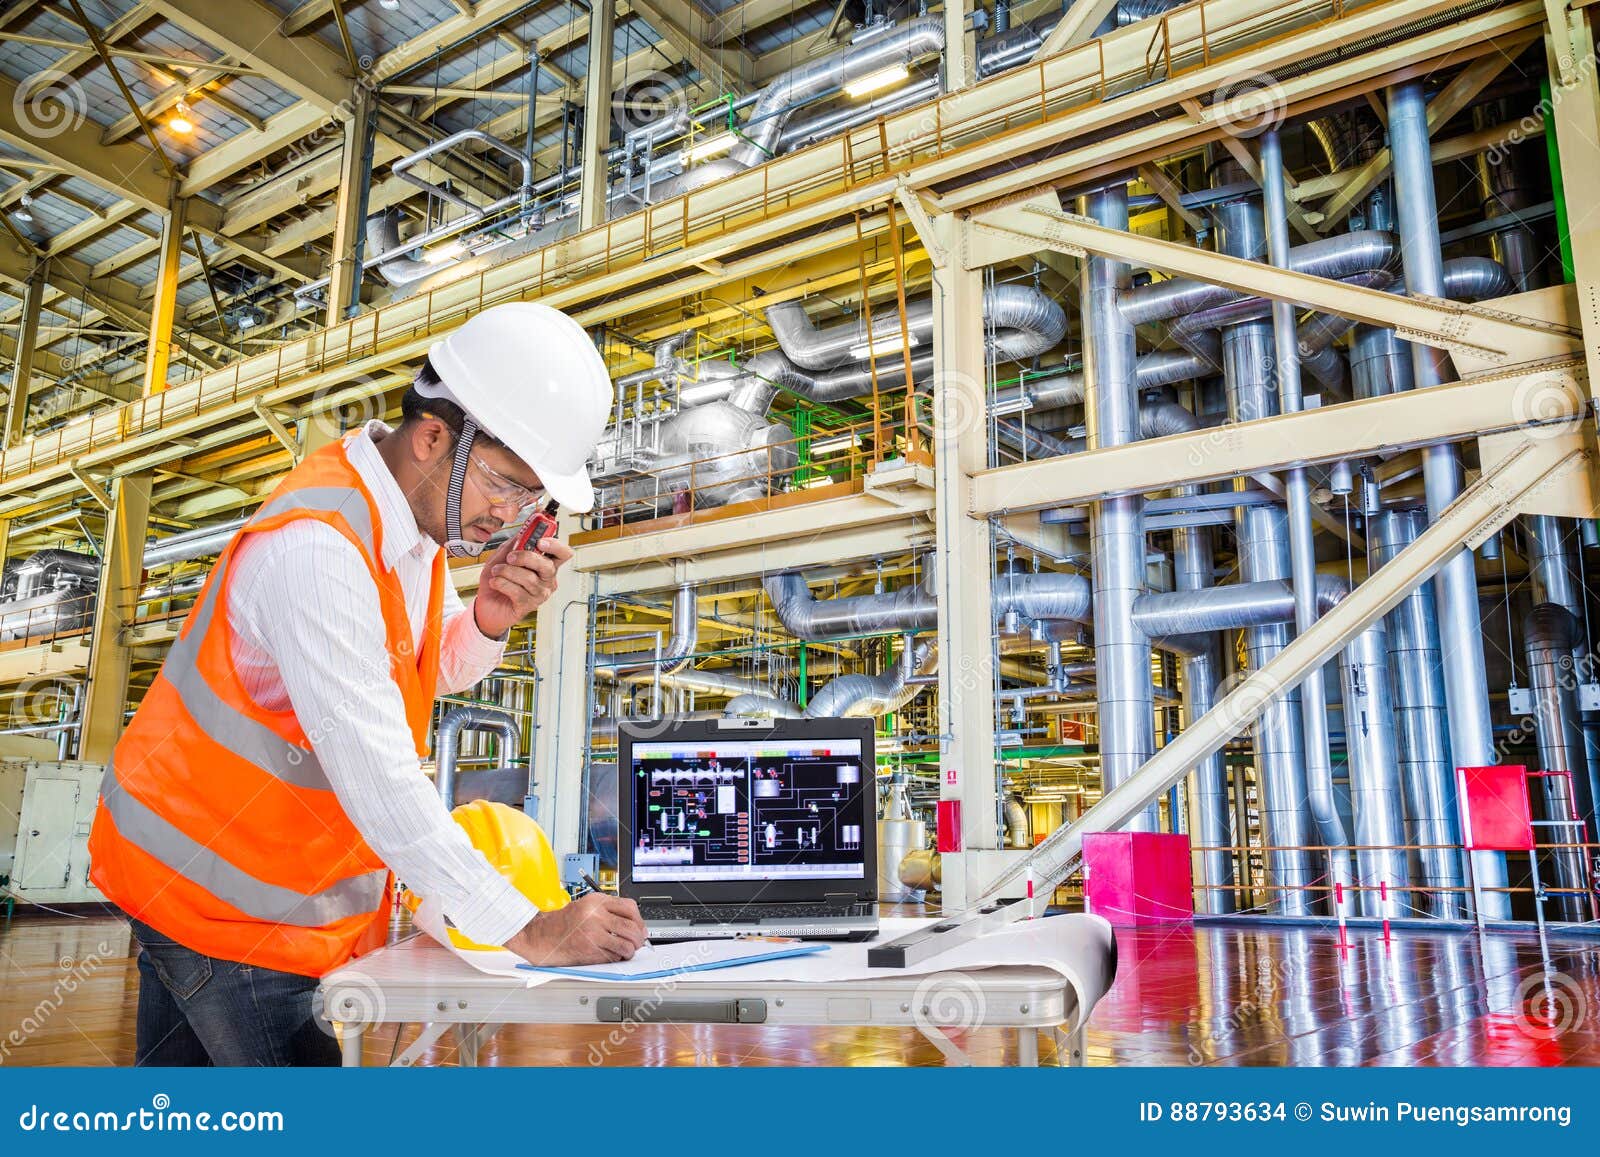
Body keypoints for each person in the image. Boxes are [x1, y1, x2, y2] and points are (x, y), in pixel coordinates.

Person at [87, 303, 647, 1066]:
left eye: (531, 503)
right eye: (508, 487)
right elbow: (380, 775)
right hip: (228, 903)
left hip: (218, 883)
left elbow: (425, 664)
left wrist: (489, 614)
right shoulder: (320, 550)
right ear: (432, 438)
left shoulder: (406, 531)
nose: (512, 516)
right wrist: (530, 924)